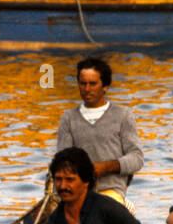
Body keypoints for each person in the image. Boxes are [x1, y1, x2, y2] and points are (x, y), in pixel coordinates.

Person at [56, 56, 144, 203]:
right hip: (76, 193)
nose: (87, 89)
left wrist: (107, 167)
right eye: (82, 84)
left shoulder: (123, 115)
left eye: (93, 84)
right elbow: (62, 161)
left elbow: (136, 158)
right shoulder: (68, 118)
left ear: (105, 87)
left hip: (111, 191)